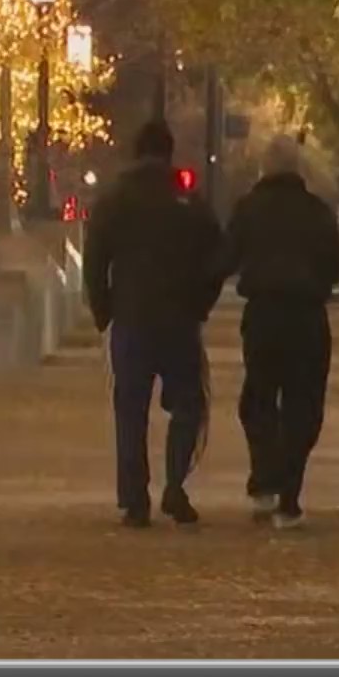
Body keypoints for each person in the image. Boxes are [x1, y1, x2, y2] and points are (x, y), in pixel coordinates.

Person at [83, 119, 224, 528]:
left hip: (131, 317)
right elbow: (217, 256)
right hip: (179, 318)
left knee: (130, 409)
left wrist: (103, 311)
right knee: (189, 404)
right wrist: (201, 304)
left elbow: (95, 260)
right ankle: (176, 481)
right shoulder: (187, 199)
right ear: (169, 151)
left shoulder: (114, 198)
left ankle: (134, 497)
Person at [217, 135, 339, 530]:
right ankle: (289, 494)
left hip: (263, 315)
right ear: (298, 169)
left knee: (258, 399)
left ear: (263, 169)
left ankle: (265, 478)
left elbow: (226, 258)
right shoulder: (317, 212)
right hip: (307, 316)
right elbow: (336, 266)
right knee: (302, 405)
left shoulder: (248, 209)